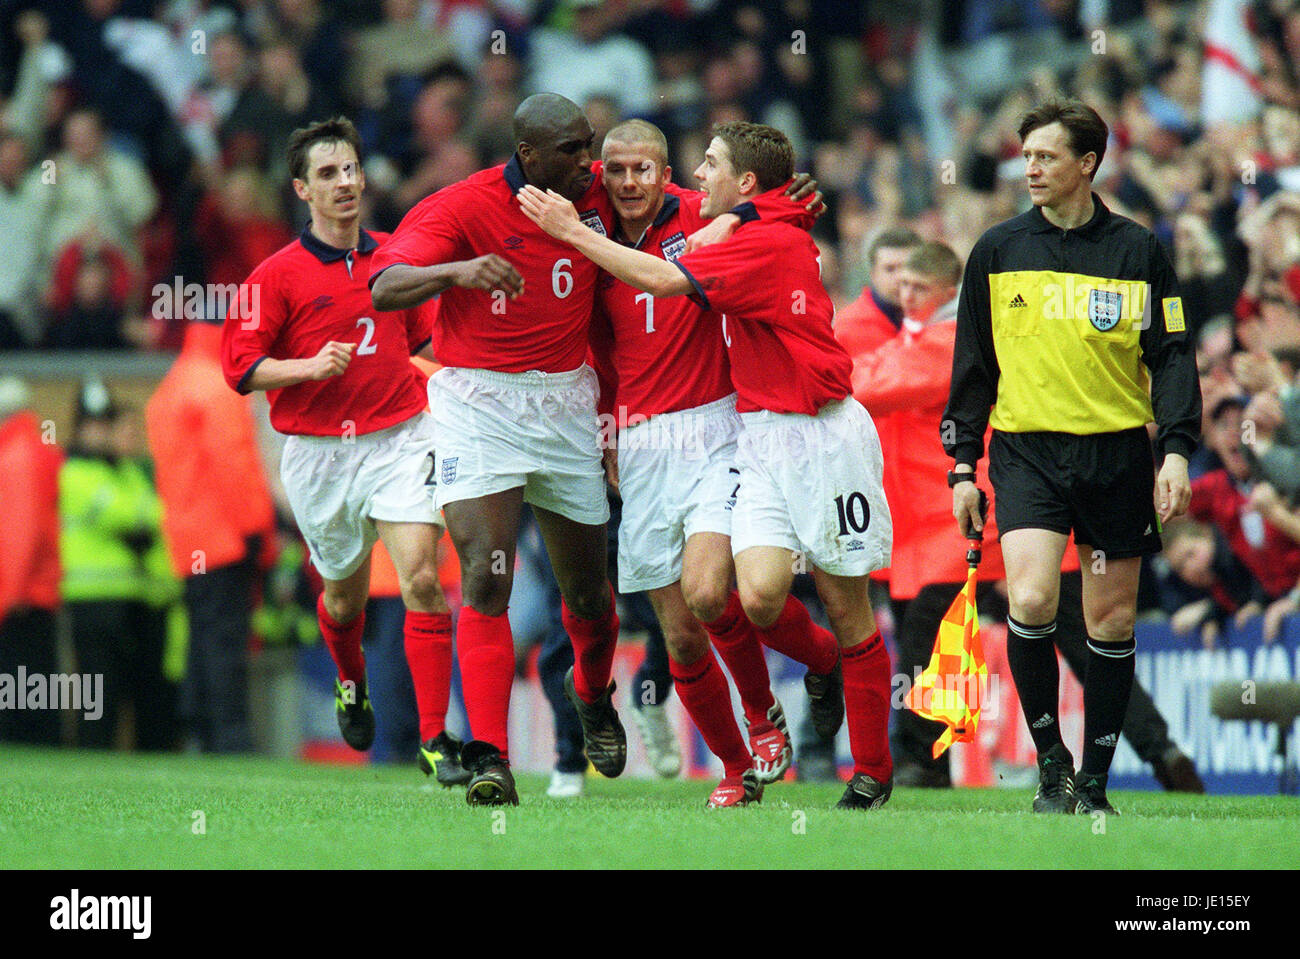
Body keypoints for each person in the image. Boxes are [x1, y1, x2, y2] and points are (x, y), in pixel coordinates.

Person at [519, 120, 895, 811]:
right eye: (618, 170)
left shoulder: (733, 230)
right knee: (730, 606)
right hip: (697, 437)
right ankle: (756, 742)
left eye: (700, 164)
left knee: (800, 597)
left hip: (779, 428)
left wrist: (578, 233)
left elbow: (676, 271)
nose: (688, 175)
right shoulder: (681, 215)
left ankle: (859, 763)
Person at [854, 243, 1202, 791]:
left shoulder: (945, 339)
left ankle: (929, 761)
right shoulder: (930, 336)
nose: (906, 295)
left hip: (986, 518)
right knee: (1077, 638)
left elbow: (870, 386)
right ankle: (1163, 753)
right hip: (990, 513)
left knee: (938, 631)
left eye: (917, 285)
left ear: (949, 291)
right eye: (898, 284)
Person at [943, 99, 1201, 815]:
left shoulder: (1138, 250)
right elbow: (972, 368)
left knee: (1111, 623)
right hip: (1026, 450)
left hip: (1117, 453)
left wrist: (1176, 450)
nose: (1030, 168)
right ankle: (1050, 759)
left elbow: (1173, 356)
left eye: (1046, 157)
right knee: (1029, 597)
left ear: (1088, 164)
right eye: (1025, 156)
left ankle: (1095, 780)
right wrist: (963, 464)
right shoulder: (995, 250)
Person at [368, 94, 626, 806]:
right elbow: (385, 285)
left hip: (567, 402)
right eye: (571, 151)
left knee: (587, 594)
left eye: (590, 145)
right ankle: (491, 758)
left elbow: (682, 202)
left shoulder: (598, 192)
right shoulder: (460, 206)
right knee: (486, 575)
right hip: (479, 404)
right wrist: (456, 272)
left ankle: (592, 693)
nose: (588, 161)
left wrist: (770, 206)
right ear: (527, 157)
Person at [587, 118, 842, 806]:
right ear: (602, 173)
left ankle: (783, 699)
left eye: (647, 169)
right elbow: (600, 346)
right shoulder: (593, 228)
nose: (632, 182)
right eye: (619, 170)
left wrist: (775, 203)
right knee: (680, 636)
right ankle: (736, 770)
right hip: (639, 444)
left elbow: (779, 205)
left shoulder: (703, 211)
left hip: (717, 426)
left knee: (708, 592)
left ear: (667, 170)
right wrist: (608, 429)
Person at [221, 117, 468, 785]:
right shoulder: (276, 276)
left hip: (399, 438)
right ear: (302, 188)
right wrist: (305, 368)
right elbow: (240, 367)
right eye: (328, 173)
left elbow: (424, 345)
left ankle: (435, 737)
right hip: (320, 453)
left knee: (422, 577)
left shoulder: (395, 259)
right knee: (341, 602)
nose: (345, 182)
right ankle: (350, 680)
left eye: (351, 169)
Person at [147, 306, 277, 755]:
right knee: (226, 636)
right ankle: (230, 733)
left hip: (187, 537)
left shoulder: (172, 386)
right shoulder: (218, 385)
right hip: (223, 534)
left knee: (202, 633)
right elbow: (235, 465)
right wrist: (258, 528)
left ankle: (201, 725)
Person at [61, 382, 181, 750]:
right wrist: (152, 516)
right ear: (78, 428)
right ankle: (91, 758)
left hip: (134, 598)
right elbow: (127, 513)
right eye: (91, 424)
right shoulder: (75, 472)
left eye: (104, 423)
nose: (98, 432)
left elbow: (152, 515)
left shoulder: (122, 472)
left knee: (131, 690)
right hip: (92, 598)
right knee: (98, 693)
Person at [0, 377, 62, 746]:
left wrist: (6, 598)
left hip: (22, 596)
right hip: (35, 592)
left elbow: (18, 538)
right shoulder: (34, 450)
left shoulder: (16, 457)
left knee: (21, 697)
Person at [834, 227, 922, 358]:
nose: (900, 278)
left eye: (908, 267)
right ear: (873, 274)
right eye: (890, 269)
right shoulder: (846, 329)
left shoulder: (939, 320)